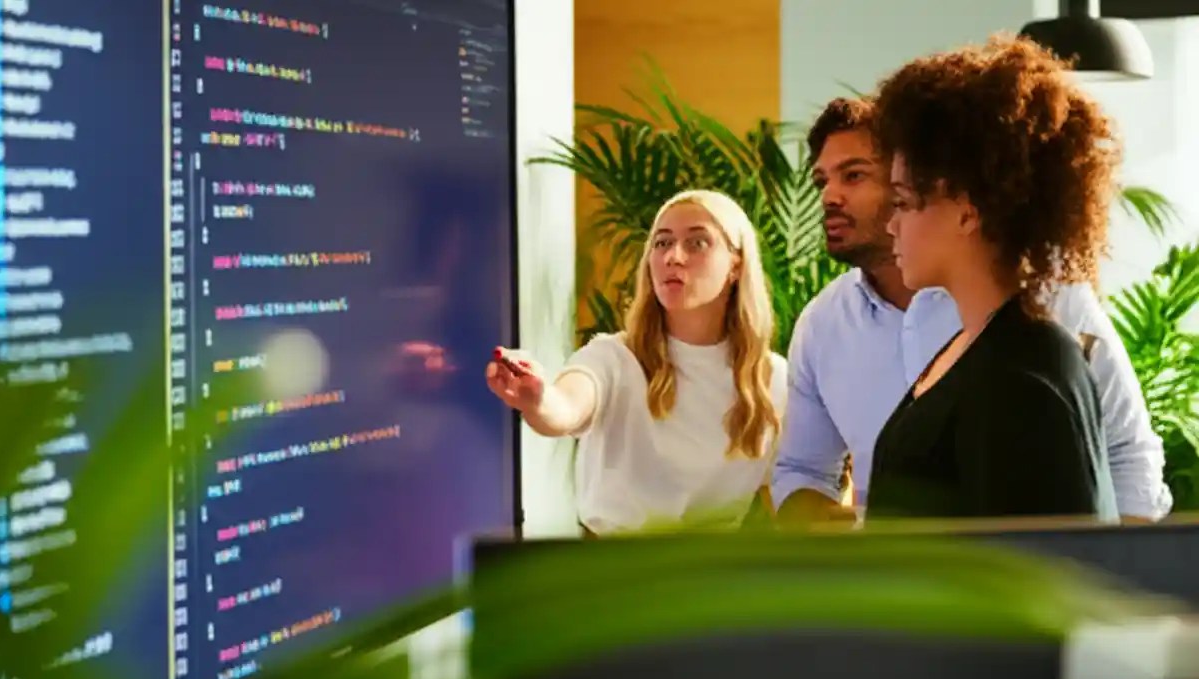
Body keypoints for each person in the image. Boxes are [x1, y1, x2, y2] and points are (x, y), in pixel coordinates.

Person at [772, 70, 1170, 522]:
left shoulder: (1035, 343)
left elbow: (1060, 535)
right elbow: (802, 472)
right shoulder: (833, 324)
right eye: (821, 180)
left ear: (965, 206)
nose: (829, 196)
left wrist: (1130, 570)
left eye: (858, 177)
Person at [487, 189, 788, 535]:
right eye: (661, 243)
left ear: (736, 264)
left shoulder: (772, 378)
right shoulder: (614, 357)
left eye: (697, 243)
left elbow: (790, 490)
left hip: (713, 577)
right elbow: (565, 408)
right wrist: (538, 398)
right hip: (616, 574)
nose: (673, 257)